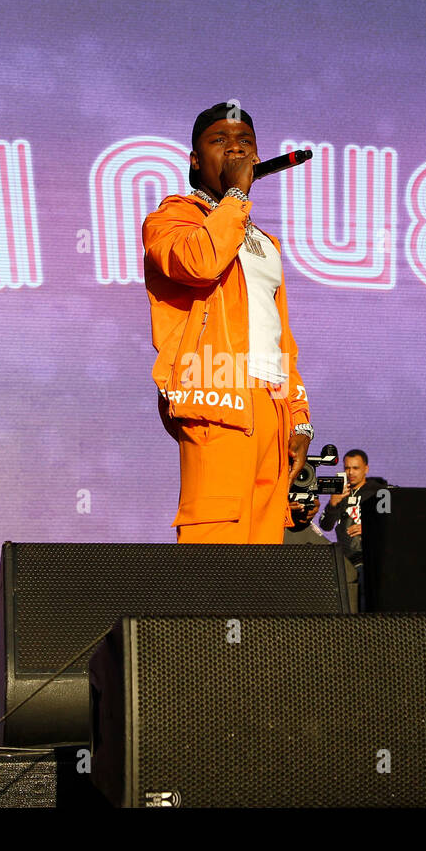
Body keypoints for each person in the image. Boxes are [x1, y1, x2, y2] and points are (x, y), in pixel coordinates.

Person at [144, 103, 313, 543]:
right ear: (195, 160)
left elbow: (281, 337)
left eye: (246, 144)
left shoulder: (263, 240)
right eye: (220, 141)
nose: (235, 150)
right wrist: (236, 197)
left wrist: (299, 418)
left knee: (262, 561)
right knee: (216, 557)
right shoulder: (173, 217)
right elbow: (198, 263)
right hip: (215, 393)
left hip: (270, 404)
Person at [319, 450, 389, 603]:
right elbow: (325, 525)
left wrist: (368, 528)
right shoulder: (341, 494)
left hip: (369, 559)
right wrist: (333, 503)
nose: (350, 472)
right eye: (347, 468)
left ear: (366, 469)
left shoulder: (380, 491)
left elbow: (389, 524)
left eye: (355, 468)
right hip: (345, 561)